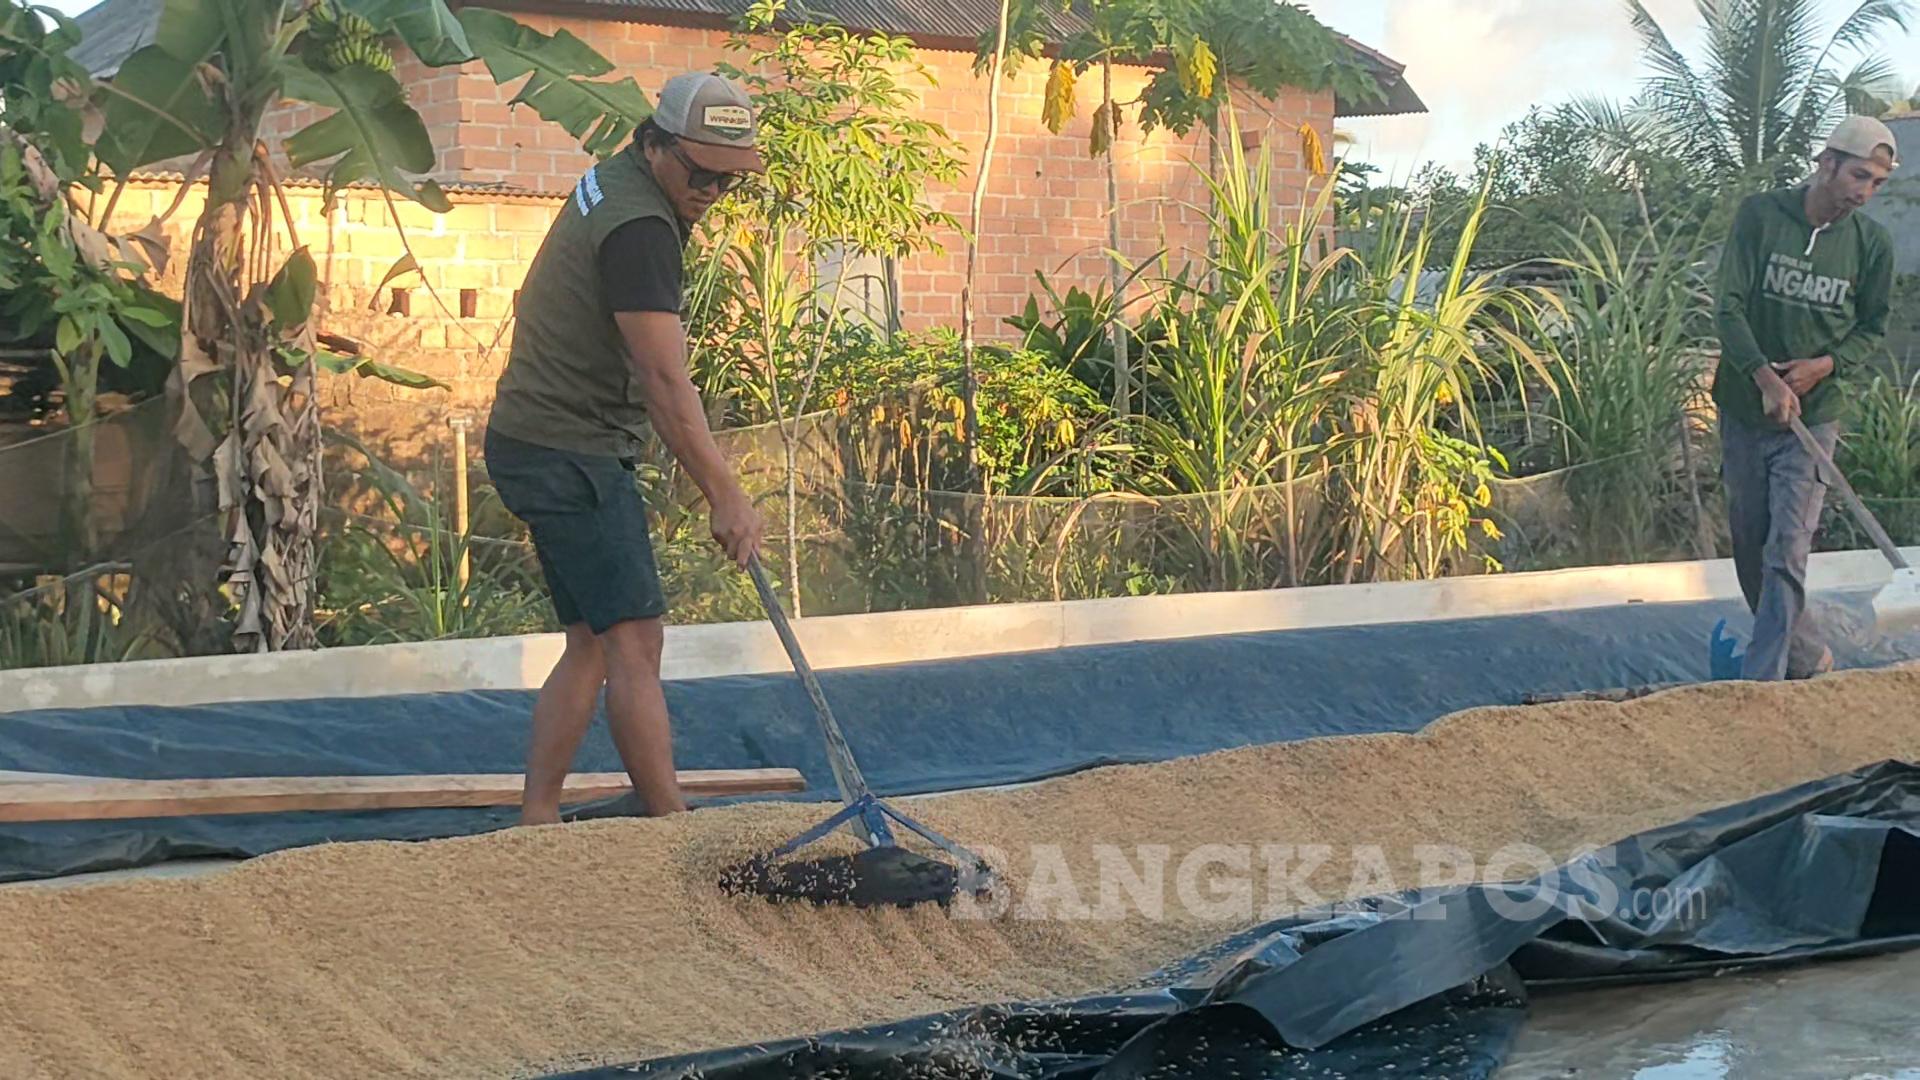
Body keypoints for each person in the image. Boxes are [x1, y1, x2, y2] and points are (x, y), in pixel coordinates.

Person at [483, 72, 767, 824]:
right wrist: (725, 494)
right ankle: (670, 825)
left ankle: (538, 820)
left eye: (728, 179)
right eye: (700, 171)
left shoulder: (617, 181)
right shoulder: (641, 229)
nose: (712, 190)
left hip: (535, 437)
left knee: (594, 639)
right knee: (636, 636)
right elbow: (665, 382)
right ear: (657, 143)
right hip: (566, 447)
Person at [1712, 115, 1898, 681]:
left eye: (1876, 184)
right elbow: (1728, 306)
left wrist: (1826, 366)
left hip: (1814, 419)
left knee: (1788, 548)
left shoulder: (1871, 245)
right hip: (1747, 412)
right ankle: (1808, 658)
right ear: (1826, 163)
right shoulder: (1761, 217)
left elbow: (1872, 326)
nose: (1863, 192)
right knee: (1750, 549)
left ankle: (1762, 684)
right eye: (1859, 176)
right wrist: (1764, 378)